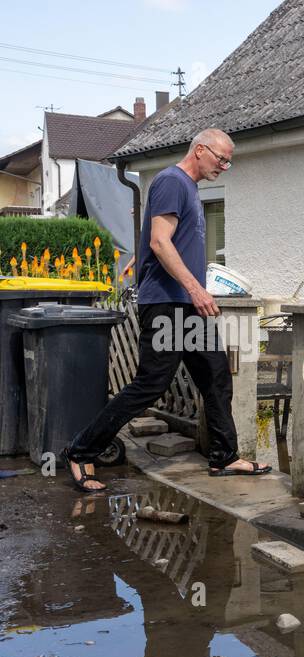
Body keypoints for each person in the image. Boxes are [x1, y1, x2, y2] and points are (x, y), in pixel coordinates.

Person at [62, 127, 270, 491]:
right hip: (166, 303)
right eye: (221, 158)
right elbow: (159, 242)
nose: (226, 165)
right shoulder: (172, 182)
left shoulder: (189, 188)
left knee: (216, 375)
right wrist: (195, 288)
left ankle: (224, 456)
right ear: (201, 150)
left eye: (228, 160)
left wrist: (196, 290)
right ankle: (82, 451)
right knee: (151, 384)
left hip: (187, 304)